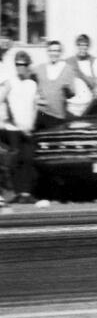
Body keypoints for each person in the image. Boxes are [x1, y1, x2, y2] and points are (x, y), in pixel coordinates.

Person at [1, 50, 42, 204]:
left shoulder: (32, 84)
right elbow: (2, 100)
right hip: (13, 129)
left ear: (28, 66)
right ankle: (17, 193)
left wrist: (31, 124)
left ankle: (26, 193)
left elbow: (35, 106)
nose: (20, 67)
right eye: (17, 64)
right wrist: (9, 119)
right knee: (16, 160)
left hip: (28, 129)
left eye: (23, 64)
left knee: (28, 160)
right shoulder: (10, 82)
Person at [34, 40, 91, 129]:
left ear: (61, 52)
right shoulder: (39, 69)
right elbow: (32, 87)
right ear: (48, 52)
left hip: (58, 115)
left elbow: (72, 94)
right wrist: (37, 99)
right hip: (41, 113)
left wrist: (67, 91)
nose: (54, 53)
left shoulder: (68, 70)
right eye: (51, 51)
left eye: (57, 51)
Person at [67, 33, 97, 117]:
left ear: (88, 46)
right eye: (80, 45)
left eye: (85, 45)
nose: (83, 48)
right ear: (77, 46)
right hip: (72, 106)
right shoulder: (69, 62)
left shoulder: (95, 62)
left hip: (88, 106)